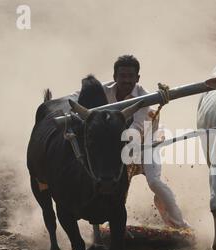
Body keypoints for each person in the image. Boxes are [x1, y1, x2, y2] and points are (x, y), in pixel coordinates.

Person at [71, 55, 189, 229]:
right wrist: (69, 107)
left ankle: (181, 224)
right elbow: (76, 96)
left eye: (130, 76)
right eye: (122, 76)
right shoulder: (103, 90)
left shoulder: (144, 98)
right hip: (115, 142)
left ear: (137, 78)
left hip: (147, 141)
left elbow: (137, 128)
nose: (126, 80)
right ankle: (106, 220)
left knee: (154, 181)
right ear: (114, 77)